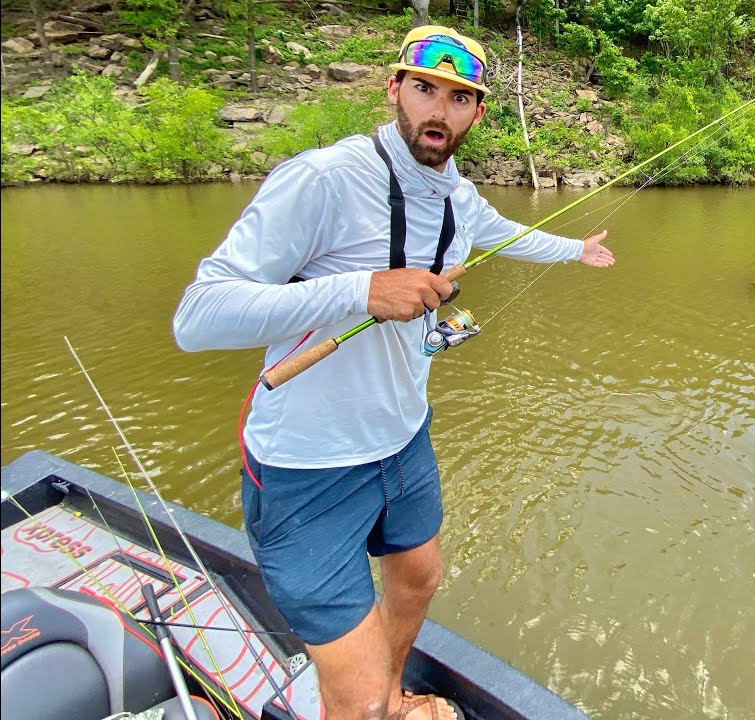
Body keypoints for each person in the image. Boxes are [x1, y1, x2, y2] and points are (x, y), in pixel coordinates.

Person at [173, 24, 614, 720]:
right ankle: (374, 702)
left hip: (404, 441)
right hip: (306, 468)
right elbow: (196, 318)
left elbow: (504, 232)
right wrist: (361, 291)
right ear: (394, 91)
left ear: (478, 112)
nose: (439, 111)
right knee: (356, 704)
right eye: (424, 89)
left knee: (418, 578)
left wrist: (574, 251)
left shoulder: (457, 194)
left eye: (459, 98)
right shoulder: (323, 179)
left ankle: (397, 690)